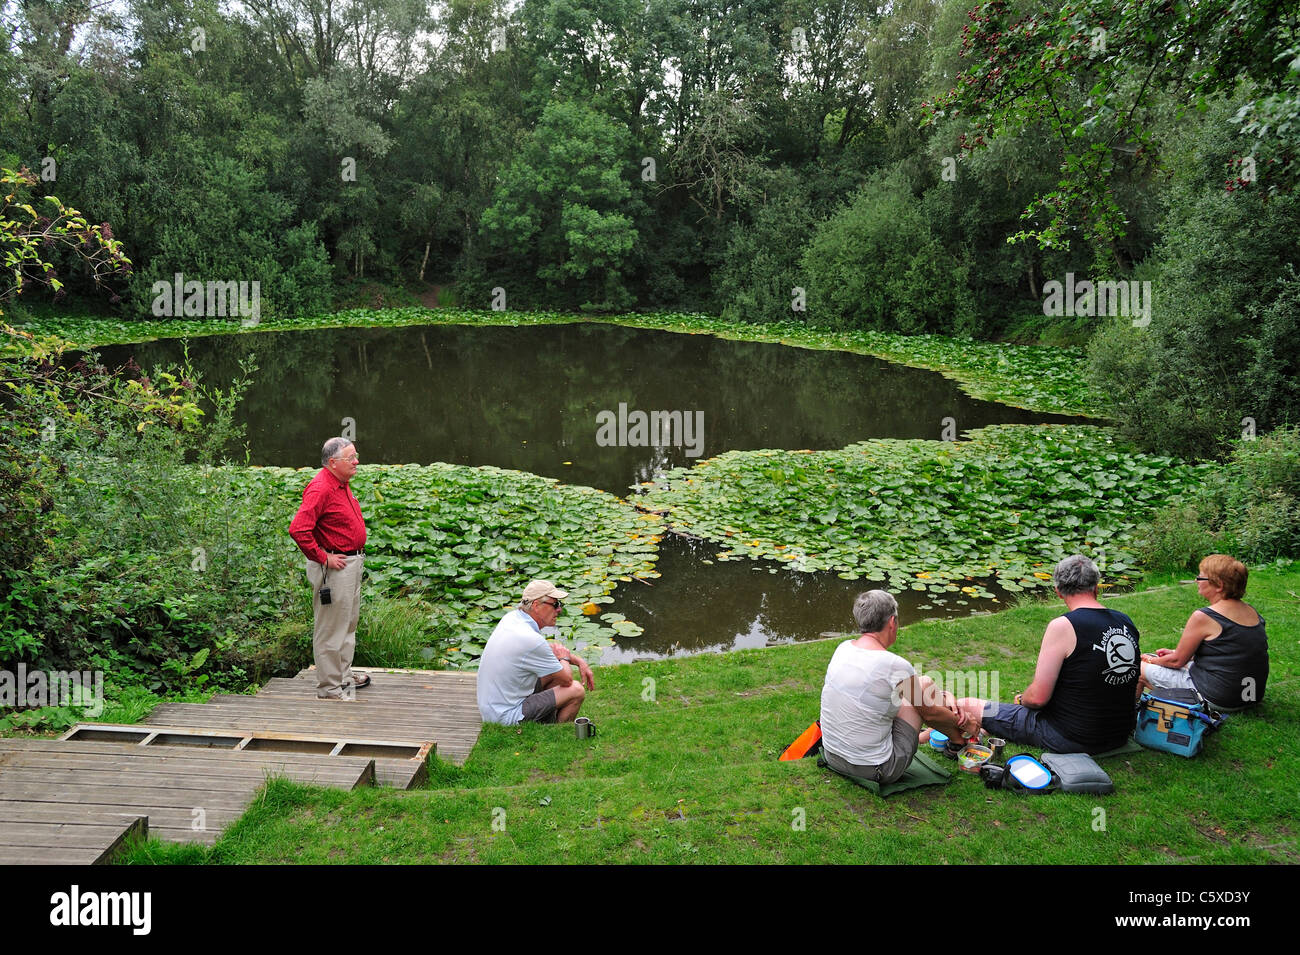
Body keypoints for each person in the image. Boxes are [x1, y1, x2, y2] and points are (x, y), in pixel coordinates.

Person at [957, 555, 1141, 754]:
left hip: (1072, 737)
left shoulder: (1063, 625)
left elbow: (1037, 699)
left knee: (966, 705)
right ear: (1096, 587)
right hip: (1118, 735)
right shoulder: (1125, 621)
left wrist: (1022, 700)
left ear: (1058, 592)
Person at [819, 590, 976, 785]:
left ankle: (957, 742)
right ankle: (961, 738)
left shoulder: (843, 648)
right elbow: (930, 714)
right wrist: (965, 722)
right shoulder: (895, 665)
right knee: (924, 695)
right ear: (892, 622)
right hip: (876, 769)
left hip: (833, 755)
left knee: (924, 684)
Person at [289, 437, 369, 700]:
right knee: (331, 630)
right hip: (334, 568)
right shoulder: (320, 488)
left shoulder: (341, 484)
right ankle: (330, 689)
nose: (356, 462)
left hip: (350, 563)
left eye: (356, 456)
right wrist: (324, 558)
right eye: (351, 458)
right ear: (333, 463)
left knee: (347, 624)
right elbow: (298, 529)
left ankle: (343, 677)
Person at [1138, 554, 1268, 711]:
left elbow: (1176, 662)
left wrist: (1150, 661)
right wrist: (1173, 653)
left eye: (1200, 578)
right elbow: (1227, 651)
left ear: (1218, 585)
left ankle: (1129, 720)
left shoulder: (1205, 616)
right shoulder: (1251, 611)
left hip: (1220, 698)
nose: (1196, 581)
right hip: (1250, 696)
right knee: (1162, 661)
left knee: (1136, 668)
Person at [477, 580, 594, 725]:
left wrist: (578, 661)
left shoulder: (513, 618)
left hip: (491, 708)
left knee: (553, 670)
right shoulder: (530, 639)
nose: (559, 610)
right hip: (505, 716)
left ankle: (547, 718)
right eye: (555, 604)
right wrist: (564, 658)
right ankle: (558, 732)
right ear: (536, 605)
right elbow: (567, 679)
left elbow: (548, 652)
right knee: (576, 689)